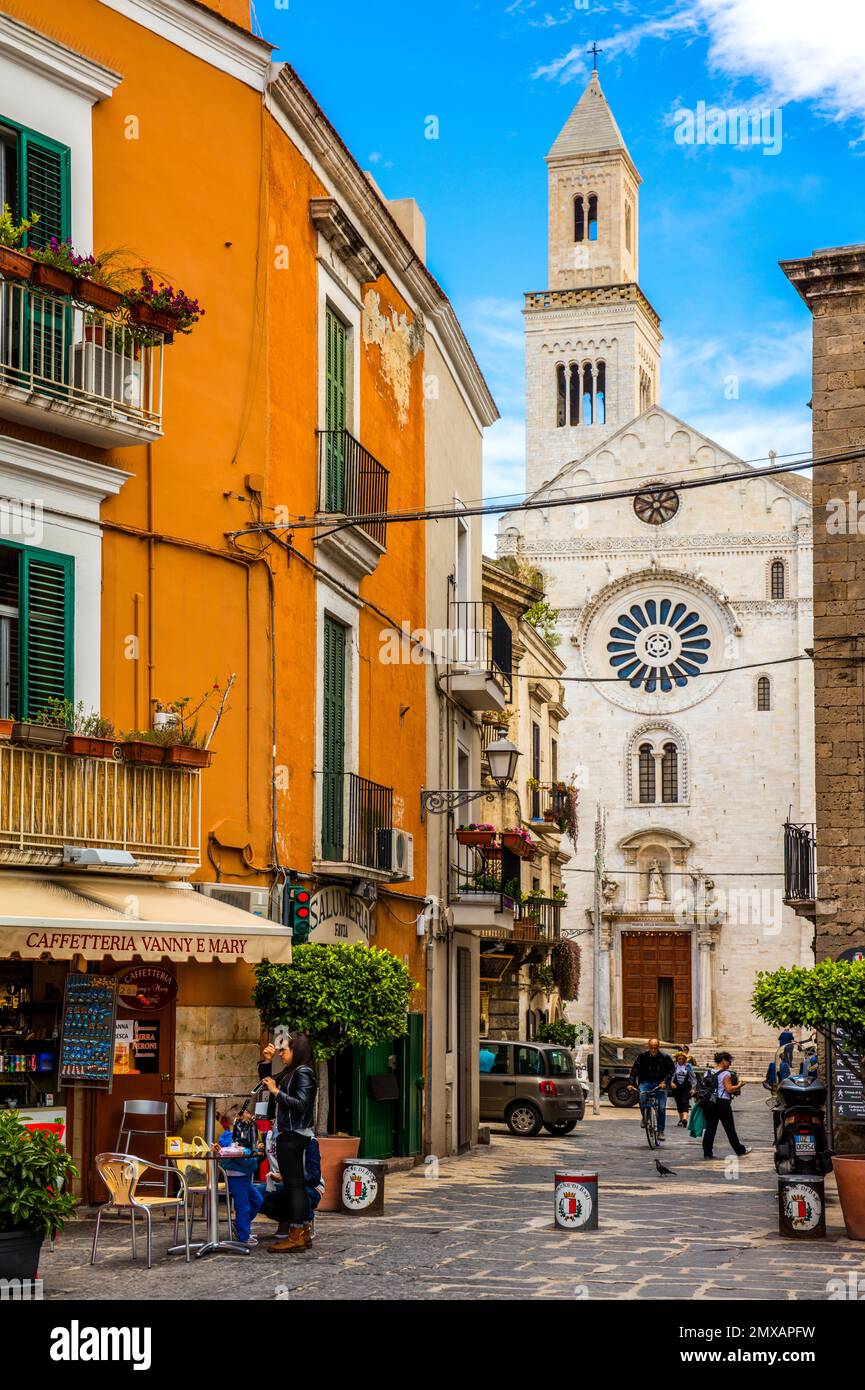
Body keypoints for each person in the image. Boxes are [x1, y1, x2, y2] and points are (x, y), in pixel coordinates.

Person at [258, 1031, 317, 1253]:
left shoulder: (303, 1073)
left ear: (297, 1050)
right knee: (295, 1186)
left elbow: (301, 1104)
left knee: (294, 1186)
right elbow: (266, 1083)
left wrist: (276, 1091)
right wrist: (266, 1062)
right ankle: (301, 1233)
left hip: (294, 1134)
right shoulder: (293, 1071)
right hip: (288, 1132)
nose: (281, 1054)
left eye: (285, 1050)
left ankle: (296, 1235)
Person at [217, 1123, 264, 1246]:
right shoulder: (237, 1144)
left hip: (244, 1177)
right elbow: (246, 1160)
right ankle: (243, 1235)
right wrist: (255, 1152)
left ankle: (241, 1226)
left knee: (257, 1200)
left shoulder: (235, 1140)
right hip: (237, 1177)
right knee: (243, 1206)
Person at [701, 1050, 752, 1160]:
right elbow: (729, 1089)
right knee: (730, 1129)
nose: (730, 1064)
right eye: (729, 1061)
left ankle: (707, 1153)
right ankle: (740, 1150)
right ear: (723, 1061)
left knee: (710, 1128)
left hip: (709, 1103)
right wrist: (739, 1085)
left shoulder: (707, 1073)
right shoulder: (726, 1073)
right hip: (722, 1103)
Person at [627, 1037, 674, 1140]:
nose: (653, 1050)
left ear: (658, 1047)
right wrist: (631, 1083)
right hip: (646, 1082)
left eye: (655, 1048)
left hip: (660, 1083)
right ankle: (645, 1117)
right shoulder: (642, 1056)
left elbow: (671, 1070)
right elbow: (635, 1070)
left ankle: (661, 1130)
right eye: (651, 1048)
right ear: (649, 1047)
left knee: (661, 1107)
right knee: (641, 1096)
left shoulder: (665, 1057)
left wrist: (665, 1081)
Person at [670, 1050, 696, 1127]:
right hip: (676, 1086)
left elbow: (693, 1077)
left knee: (685, 1102)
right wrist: (671, 1083)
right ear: (677, 1059)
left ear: (685, 1059)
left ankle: (685, 1119)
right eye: (679, 1059)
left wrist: (693, 1087)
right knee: (679, 1103)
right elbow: (671, 1075)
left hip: (686, 1086)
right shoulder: (674, 1066)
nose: (681, 1060)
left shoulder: (688, 1066)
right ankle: (681, 1119)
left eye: (682, 1059)